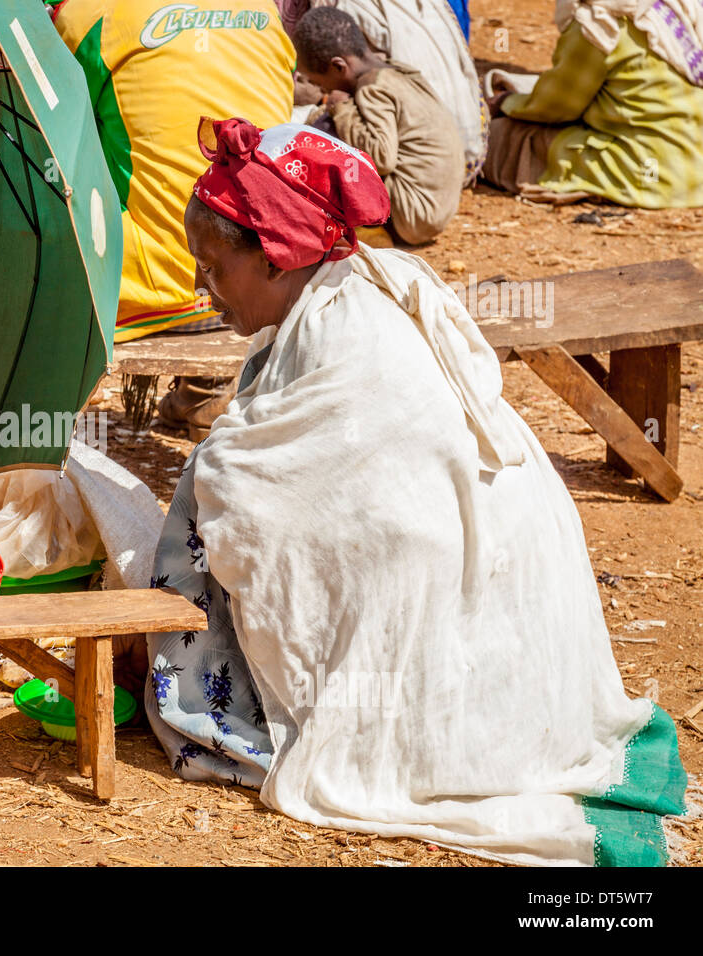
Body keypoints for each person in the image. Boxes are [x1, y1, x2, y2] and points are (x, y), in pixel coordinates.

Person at [142, 116, 689, 865]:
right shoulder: (360, 286)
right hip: (481, 573)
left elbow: (268, 497)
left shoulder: (351, 339)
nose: (201, 285)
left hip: (451, 588)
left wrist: (217, 474)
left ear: (276, 255)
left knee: (213, 488)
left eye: (212, 266)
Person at [51, 0, 297, 438]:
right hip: (264, 285)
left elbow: (54, 131)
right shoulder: (268, 12)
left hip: (148, 293)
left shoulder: (87, 16)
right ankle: (203, 393)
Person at [481, 0, 703, 207]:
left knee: (500, 138)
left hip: (652, 178)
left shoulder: (599, 23)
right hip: (694, 172)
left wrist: (505, 102)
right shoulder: (669, 9)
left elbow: (555, 107)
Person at [295, 7, 464, 243]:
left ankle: (364, 233)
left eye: (317, 82)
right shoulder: (396, 71)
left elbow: (382, 157)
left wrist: (340, 109)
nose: (321, 90)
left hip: (413, 212)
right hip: (436, 207)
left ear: (338, 66)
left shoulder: (374, 90)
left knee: (326, 133)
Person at [309, 0, 487, 182]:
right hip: (463, 157)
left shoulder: (373, 83)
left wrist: (340, 108)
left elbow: (382, 157)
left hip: (415, 186)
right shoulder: (432, 7)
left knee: (321, 133)